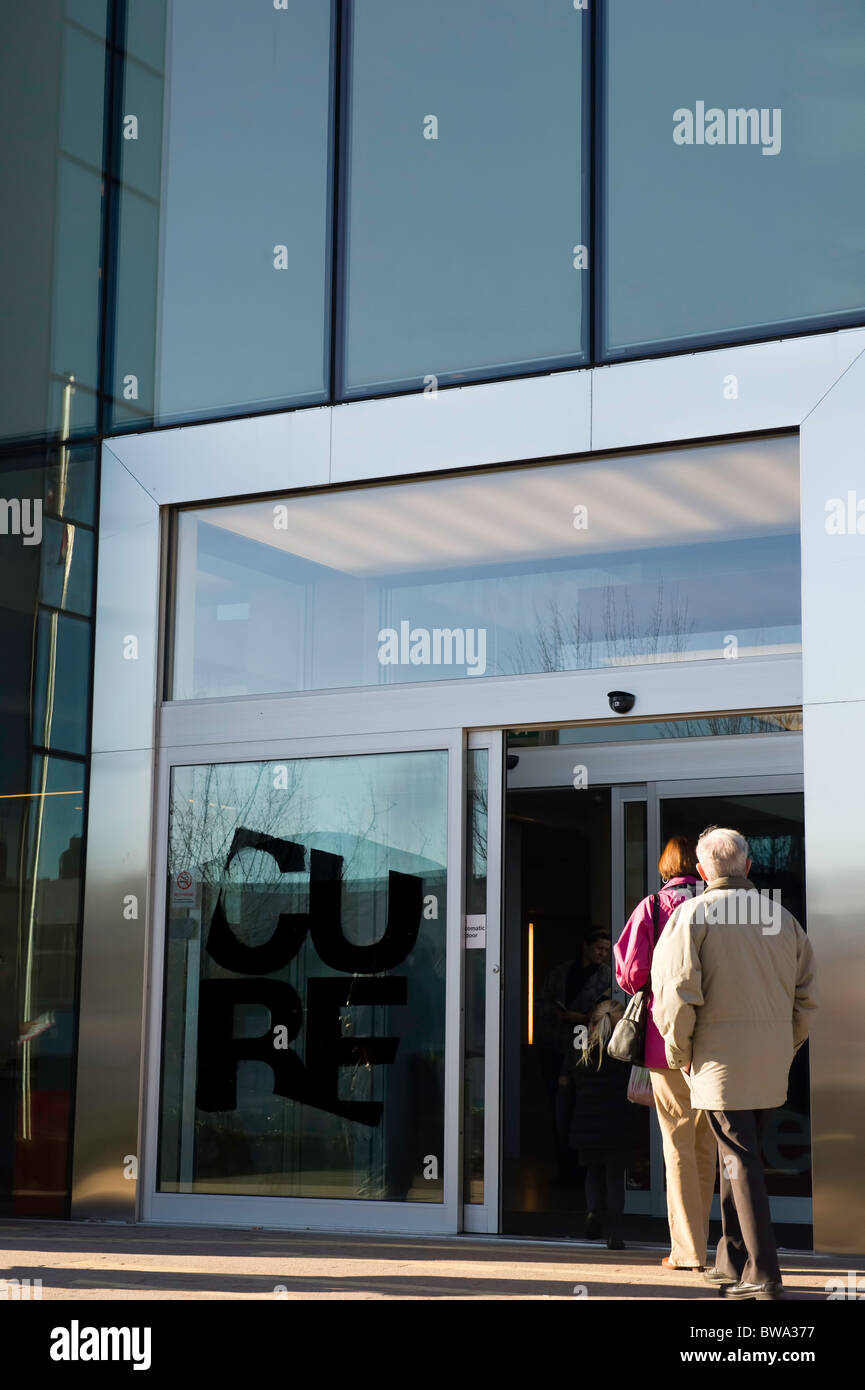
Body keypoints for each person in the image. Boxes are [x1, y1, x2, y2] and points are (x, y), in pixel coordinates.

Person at [651, 826, 818, 1300]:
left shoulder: (691, 916)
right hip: (768, 1062)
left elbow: (676, 998)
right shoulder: (780, 918)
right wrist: (786, 1046)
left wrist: (679, 1054)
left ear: (702, 872)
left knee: (739, 1160)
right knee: (738, 1156)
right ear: (747, 866)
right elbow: (808, 997)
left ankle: (764, 1275)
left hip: (717, 1063)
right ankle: (733, 1260)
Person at [614, 835, 715, 1271]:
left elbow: (629, 973)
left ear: (665, 868)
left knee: (676, 1145)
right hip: (718, 1044)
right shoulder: (722, 908)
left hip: (665, 1042)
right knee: (707, 1145)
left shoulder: (654, 907)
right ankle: (711, 1244)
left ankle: (687, 1250)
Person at [535, 931, 611, 1182]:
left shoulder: (607, 977)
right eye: (599, 948)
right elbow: (542, 1003)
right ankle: (565, 1168)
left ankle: (584, 1172)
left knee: (584, 1110)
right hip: (557, 1047)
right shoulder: (561, 973)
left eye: (605, 950)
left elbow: (612, 1013)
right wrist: (558, 1014)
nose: (602, 954)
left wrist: (586, 1018)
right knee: (560, 1109)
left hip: (589, 1052)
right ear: (586, 946)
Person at [569, 998, 640, 1249]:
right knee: (614, 1177)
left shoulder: (583, 1050)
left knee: (593, 1173)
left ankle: (592, 1213)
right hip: (618, 1126)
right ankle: (615, 1232)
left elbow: (571, 1086)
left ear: (594, 1023)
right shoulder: (625, 1051)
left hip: (587, 1124)